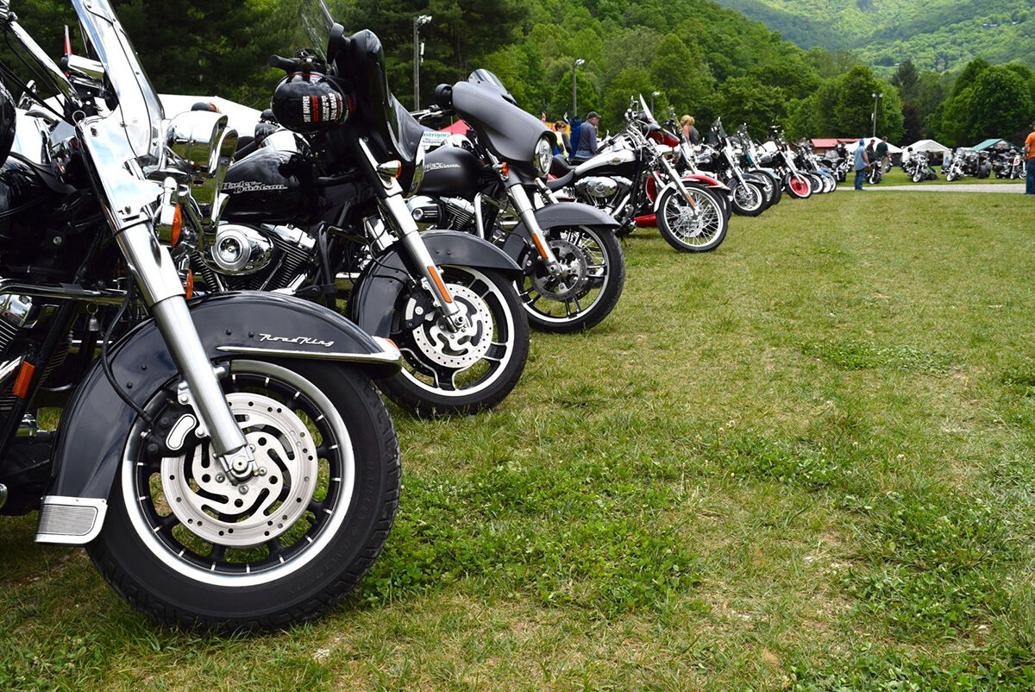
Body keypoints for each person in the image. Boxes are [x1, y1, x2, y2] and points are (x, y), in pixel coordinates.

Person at [1024, 121, 1035, 195]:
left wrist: (1025, 155)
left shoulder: (1031, 135)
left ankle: (1030, 191)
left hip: (1032, 157)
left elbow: (1027, 147)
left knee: (1030, 175)